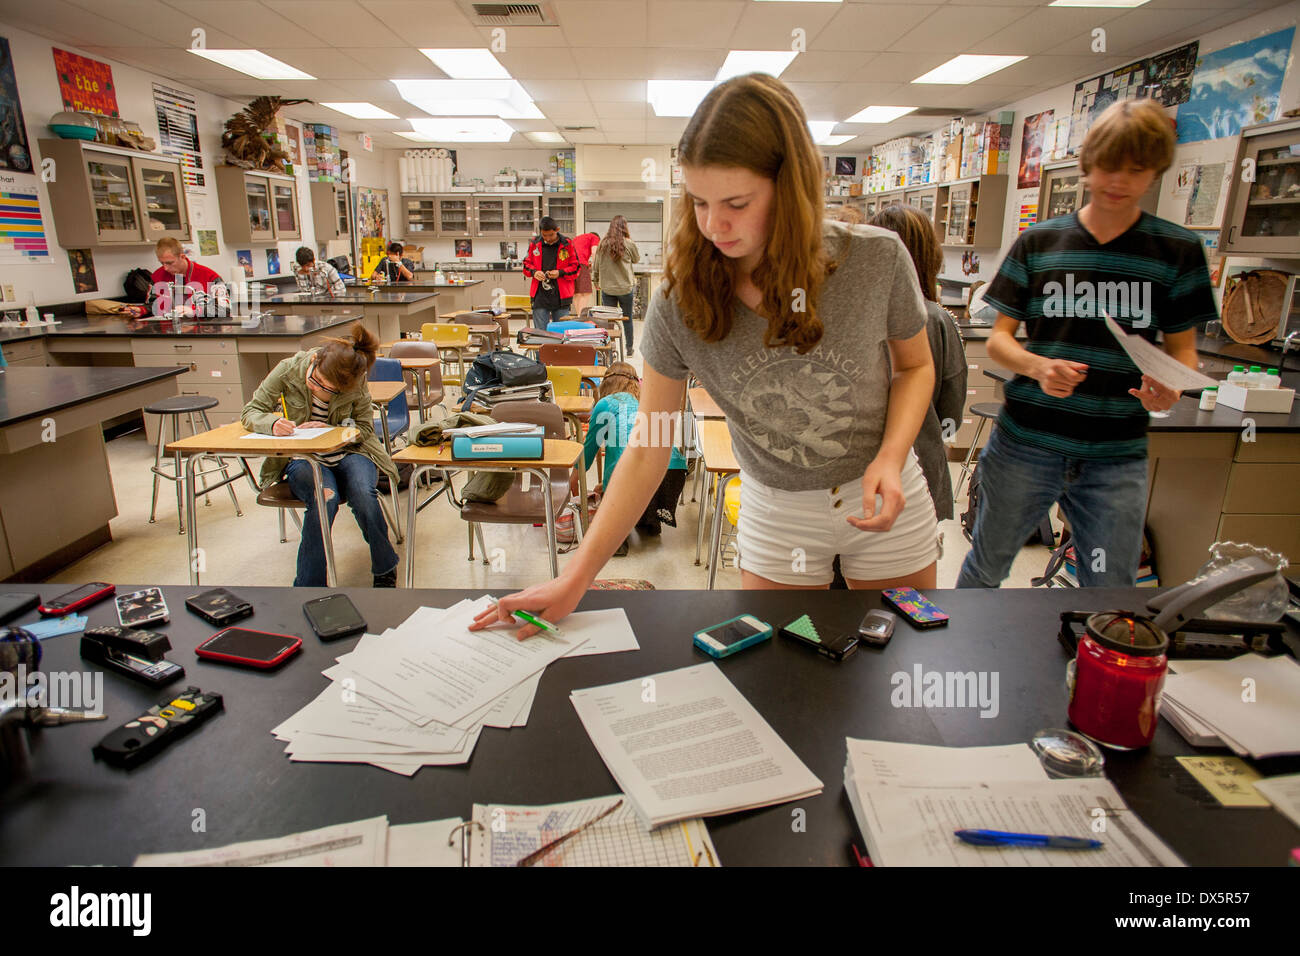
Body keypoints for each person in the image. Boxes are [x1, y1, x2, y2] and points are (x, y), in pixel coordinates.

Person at [472, 73, 938, 638]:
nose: (714, 225)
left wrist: (891, 456)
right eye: (698, 202)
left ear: (790, 190)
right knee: (784, 669)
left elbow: (914, 367)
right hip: (778, 505)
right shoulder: (679, 298)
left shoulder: (876, 259)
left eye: (736, 203)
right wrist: (575, 579)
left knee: (901, 657)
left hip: (884, 490)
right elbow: (649, 446)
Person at [956, 98, 1217, 589]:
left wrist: (1171, 385)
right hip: (1026, 442)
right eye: (1108, 167)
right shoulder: (1039, 243)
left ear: (1155, 173)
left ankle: (1095, 665)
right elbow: (999, 343)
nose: (1119, 181)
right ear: (1088, 165)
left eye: (1136, 170)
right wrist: (1037, 367)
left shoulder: (1178, 251)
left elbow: (1183, 350)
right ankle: (956, 663)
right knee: (986, 566)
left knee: (1111, 586)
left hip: (1115, 452)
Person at [241, 323, 401, 588]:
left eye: (330, 390)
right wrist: (271, 423)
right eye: (316, 382)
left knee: (363, 494)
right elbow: (251, 411)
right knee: (324, 498)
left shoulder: (355, 381)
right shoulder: (288, 369)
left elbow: (363, 428)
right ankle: (309, 586)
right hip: (305, 458)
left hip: (350, 452)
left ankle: (385, 567)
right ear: (314, 360)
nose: (319, 390)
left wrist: (333, 430)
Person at [868, 203, 968, 520]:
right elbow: (951, 411)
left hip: (860, 472)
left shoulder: (856, 315)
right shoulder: (937, 320)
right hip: (919, 468)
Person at [572, 362, 688, 556]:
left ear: (606, 384)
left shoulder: (606, 404)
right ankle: (648, 520)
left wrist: (573, 480)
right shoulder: (646, 404)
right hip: (673, 470)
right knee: (641, 480)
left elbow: (589, 452)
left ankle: (618, 539)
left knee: (616, 503)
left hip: (634, 473)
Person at [590, 215, 641, 353]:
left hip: (607, 288)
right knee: (627, 319)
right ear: (625, 227)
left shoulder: (603, 243)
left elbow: (596, 265)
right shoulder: (629, 243)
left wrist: (595, 280)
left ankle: (610, 346)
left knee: (609, 320)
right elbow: (636, 259)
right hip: (625, 288)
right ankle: (629, 348)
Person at [522, 216, 579, 329]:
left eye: (551, 235)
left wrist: (560, 273)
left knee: (561, 333)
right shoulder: (535, 243)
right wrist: (534, 272)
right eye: (544, 235)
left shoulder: (567, 244)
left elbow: (576, 268)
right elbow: (526, 265)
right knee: (540, 333)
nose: (547, 238)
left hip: (561, 296)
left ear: (557, 230)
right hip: (540, 296)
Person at [149, 237, 227, 316]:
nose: (165, 268)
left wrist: (195, 311)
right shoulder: (157, 277)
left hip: (204, 327)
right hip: (169, 327)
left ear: (182, 257)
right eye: (162, 263)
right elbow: (152, 306)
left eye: (170, 263)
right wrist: (141, 310)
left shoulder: (210, 277)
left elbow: (225, 309)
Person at [569, 230, 601, 314]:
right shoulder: (595, 237)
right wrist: (597, 267)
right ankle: (581, 316)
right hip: (581, 264)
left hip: (571, 266)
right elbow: (594, 253)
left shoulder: (577, 238)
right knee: (586, 292)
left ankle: (578, 315)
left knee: (577, 293)